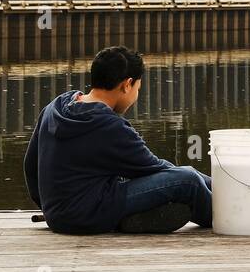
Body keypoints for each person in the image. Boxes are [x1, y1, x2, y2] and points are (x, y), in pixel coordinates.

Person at [24, 46, 212, 234]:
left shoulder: (56, 106)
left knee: (185, 174)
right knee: (188, 181)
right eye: (138, 88)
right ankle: (229, 217)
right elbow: (156, 169)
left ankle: (129, 218)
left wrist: (49, 209)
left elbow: (31, 165)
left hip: (59, 215)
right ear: (127, 84)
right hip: (87, 215)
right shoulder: (109, 125)